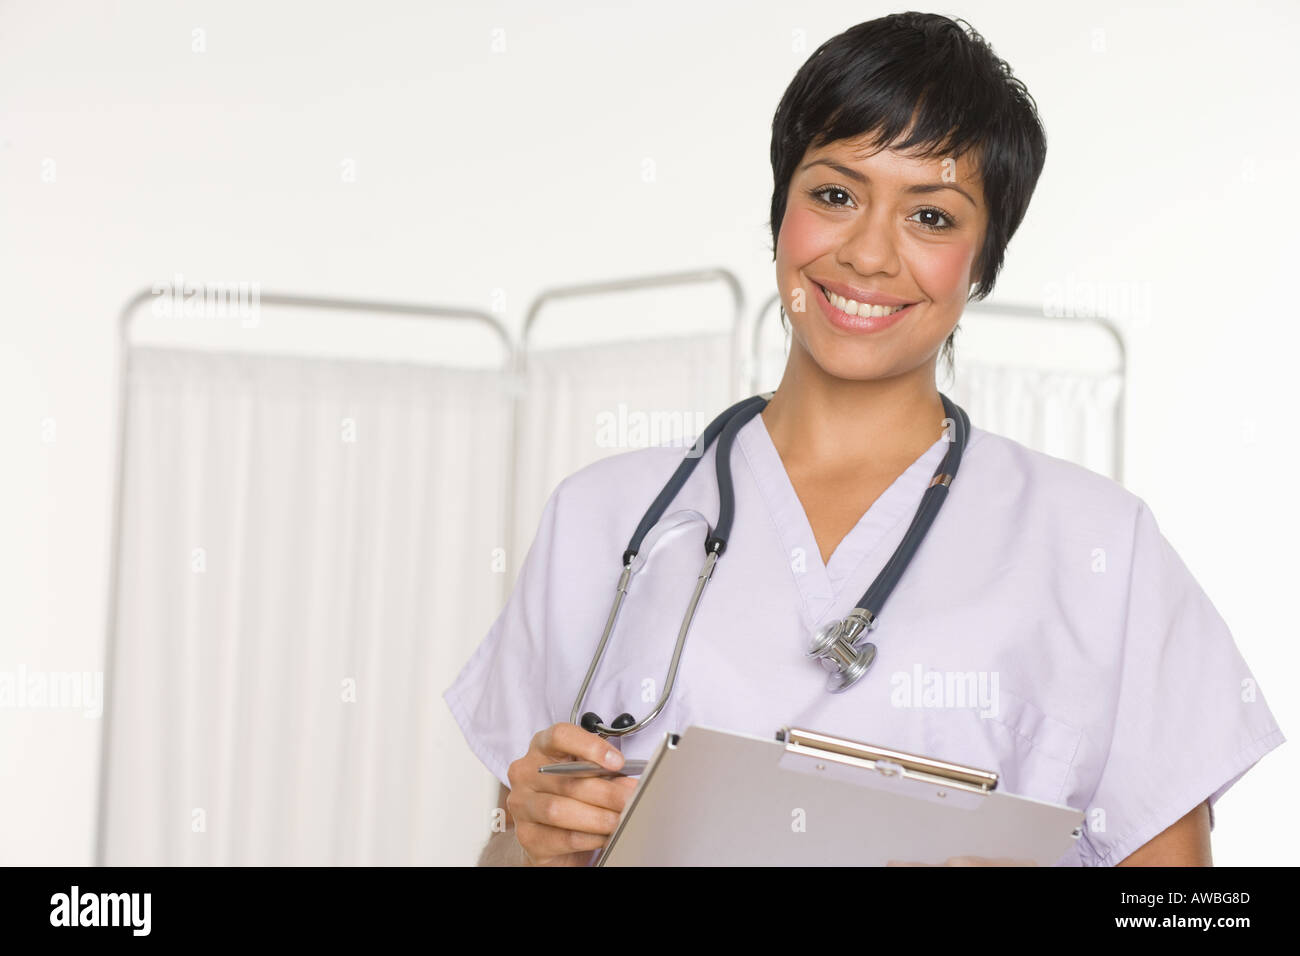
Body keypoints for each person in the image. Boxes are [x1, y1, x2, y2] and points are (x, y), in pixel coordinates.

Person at [443, 12, 1284, 867]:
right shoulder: (603, 519)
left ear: (983, 262)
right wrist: (529, 845)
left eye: (931, 216)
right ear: (780, 212)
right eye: (836, 195)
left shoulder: (1102, 548)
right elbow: (506, 849)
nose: (870, 255)